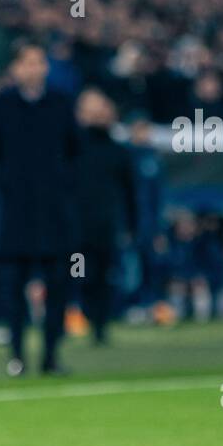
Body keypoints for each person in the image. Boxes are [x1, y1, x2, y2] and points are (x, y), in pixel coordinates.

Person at [0, 41, 79, 376]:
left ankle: (51, 356)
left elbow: (77, 152)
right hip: (14, 215)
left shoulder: (61, 105)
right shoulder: (2, 105)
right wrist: (6, 183)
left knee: (57, 288)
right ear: (15, 68)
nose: (33, 68)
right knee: (12, 289)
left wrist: (61, 185)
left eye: (39, 62)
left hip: (53, 215)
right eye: (27, 62)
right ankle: (17, 356)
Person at [74, 89, 136, 344]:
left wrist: (131, 224)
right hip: (77, 226)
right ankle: (79, 317)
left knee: (105, 276)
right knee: (79, 274)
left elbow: (130, 191)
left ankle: (100, 325)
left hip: (106, 226)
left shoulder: (119, 151)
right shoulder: (72, 147)